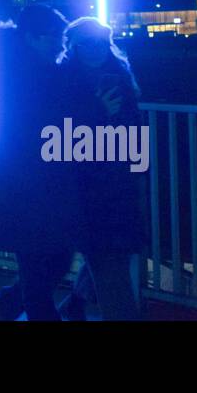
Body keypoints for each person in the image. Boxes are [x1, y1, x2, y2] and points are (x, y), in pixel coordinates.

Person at [0, 4, 81, 320]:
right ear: (29, 38)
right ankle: (8, 303)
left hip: (27, 186)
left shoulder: (21, 70)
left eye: (59, 36)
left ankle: (6, 303)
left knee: (50, 261)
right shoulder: (28, 76)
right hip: (27, 187)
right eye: (50, 36)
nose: (58, 43)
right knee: (44, 266)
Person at [60, 16, 146, 319]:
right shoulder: (65, 83)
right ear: (74, 47)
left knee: (111, 264)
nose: (94, 49)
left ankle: (73, 305)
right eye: (86, 43)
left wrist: (137, 169)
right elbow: (61, 135)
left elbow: (134, 130)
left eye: (99, 42)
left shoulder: (118, 77)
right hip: (87, 190)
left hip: (116, 186)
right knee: (113, 274)